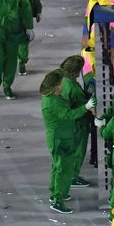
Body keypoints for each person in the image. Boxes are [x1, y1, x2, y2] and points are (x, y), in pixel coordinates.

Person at [40, 70, 95, 214]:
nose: (61, 86)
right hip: (60, 138)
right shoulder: (52, 102)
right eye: (59, 84)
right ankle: (58, 200)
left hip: (60, 137)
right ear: (54, 88)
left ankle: (56, 193)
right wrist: (86, 107)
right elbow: (68, 115)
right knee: (63, 169)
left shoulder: (53, 97)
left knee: (58, 167)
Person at [59, 55, 94, 189]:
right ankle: (73, 177)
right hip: (78, 124)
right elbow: (82, 105)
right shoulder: (72, 87)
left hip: (68, 125)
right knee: (78, 152)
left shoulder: (64, 81)